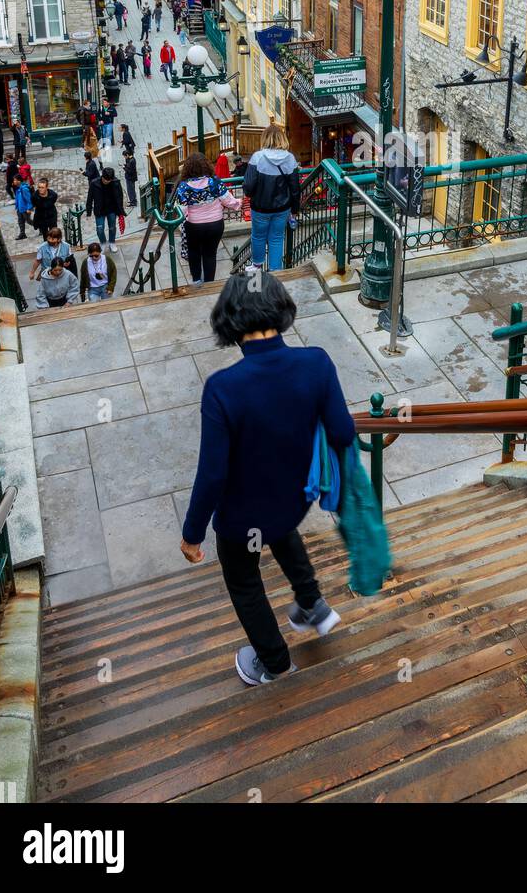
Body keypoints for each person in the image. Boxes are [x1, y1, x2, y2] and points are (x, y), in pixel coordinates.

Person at [180, 273, 355, 684]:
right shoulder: (317, 362)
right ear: (281, 309)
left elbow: (212, 473)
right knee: (281, 530)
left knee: (244, 582)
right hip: (291, 501)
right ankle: (313, 605)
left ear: (230, 322)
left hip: (243, 519)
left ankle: (274, 664)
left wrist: (192, 534)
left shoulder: (223, 389)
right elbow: (343, 432)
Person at [175, 154, 242, 285]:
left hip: (194, 226)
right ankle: (209, 284)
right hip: (215, 224)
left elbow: (181, 211)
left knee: (194, 253)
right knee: (210, 254)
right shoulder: (214, 181)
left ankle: (197, 281)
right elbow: (228, 200)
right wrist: (238, 203)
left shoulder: (183, 186)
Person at [242, 124, 300, 273]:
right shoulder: (290, 158)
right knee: (276, 238)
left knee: (258, 236)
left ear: (265, 138)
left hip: (260, 207)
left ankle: (257, 266)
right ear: (282, 138)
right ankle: (276, 270)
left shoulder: (257, 158)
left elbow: (248, 185)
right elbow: (295, 189)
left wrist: (250, 194)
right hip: (282, 208)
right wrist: (294, 210)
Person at [86, 166, 126, 251]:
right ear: (102, 177)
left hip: (112, 209)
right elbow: (89, 198)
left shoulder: (116, 182)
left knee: (112, 227)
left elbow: (120, 197)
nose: (106, 182)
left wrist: (120, 211)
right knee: (100, 229)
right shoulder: (94, 183)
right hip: (99, 210)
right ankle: (103, 242)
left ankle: (112, 242)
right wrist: (88, 212)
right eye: (105, 180)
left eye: (109, 180)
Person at [13, 174, 34, 240]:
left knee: (29, 221)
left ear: (19, 181)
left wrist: (29, 208)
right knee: (20, 222)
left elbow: (29, 199)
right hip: (20, 208)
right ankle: (22, 234)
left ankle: (41, 228)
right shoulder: (18, 188)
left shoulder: (24, 189)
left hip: (25, 209)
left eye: (15, 180)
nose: (14, 181)